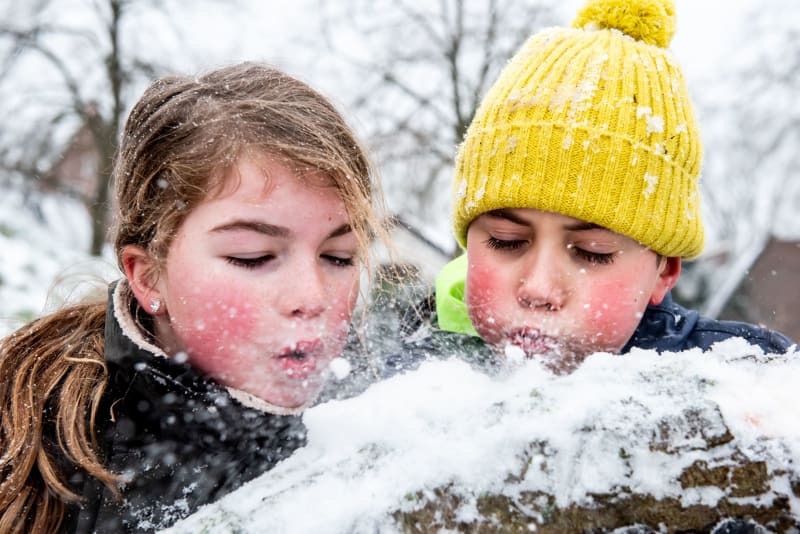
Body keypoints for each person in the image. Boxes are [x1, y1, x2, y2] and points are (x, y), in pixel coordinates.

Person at [0, 62, 387, 533]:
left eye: (339, 257)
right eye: (254, 256)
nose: (312, 298)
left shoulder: (385, 424)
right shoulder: (36, 454)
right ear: (149, 279)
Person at [390, 0, 794, 379]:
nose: (538, 289)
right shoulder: (412, 384)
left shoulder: (746, 379)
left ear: (663, 272)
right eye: (505, 241)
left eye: (591, 252)